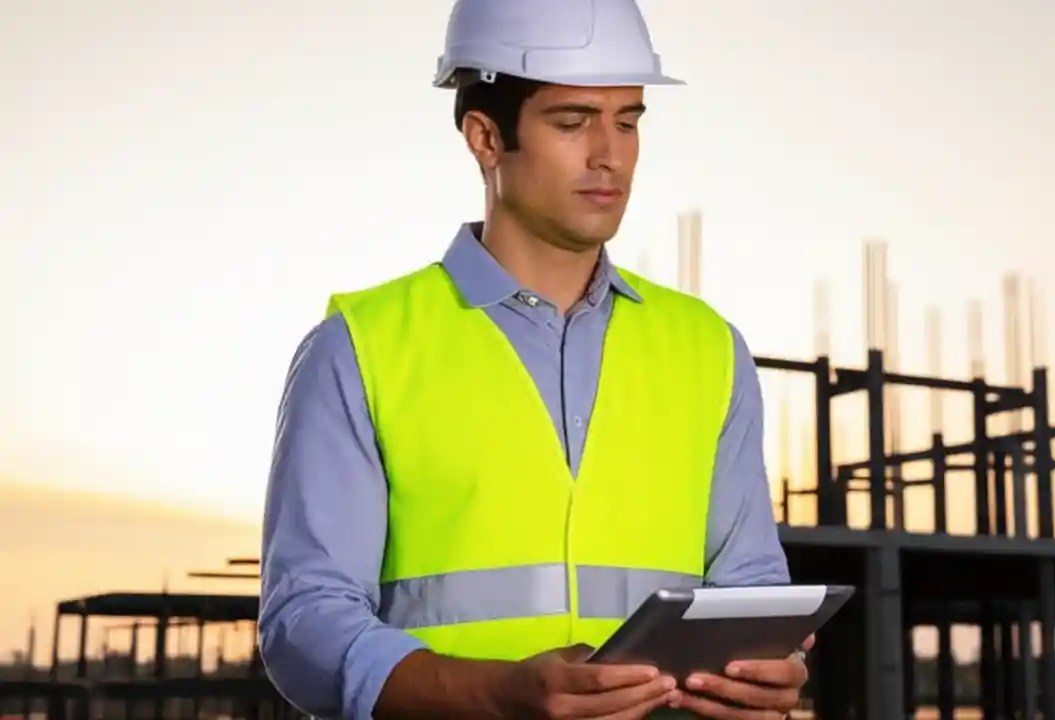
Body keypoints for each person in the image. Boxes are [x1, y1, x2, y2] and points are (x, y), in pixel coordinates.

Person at [257, 0, 812, 718]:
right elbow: (305, 624)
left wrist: (770, 661)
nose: (610, 154)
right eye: (573, 121)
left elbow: (749, 583)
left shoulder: (708, 346)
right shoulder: (361, 347)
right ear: (486, 137)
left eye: (628, 120)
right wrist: (498, 695)